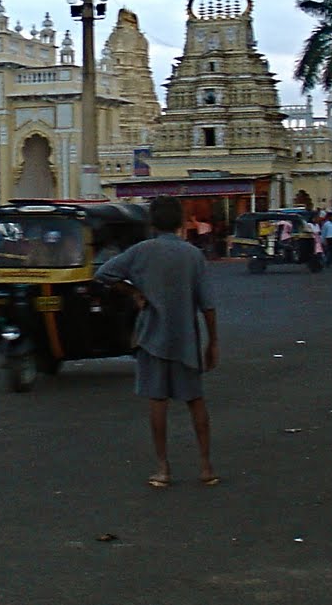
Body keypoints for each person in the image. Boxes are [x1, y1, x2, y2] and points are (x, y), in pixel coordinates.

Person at [95, 195, 219, 489]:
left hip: (152, 337)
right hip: (186, 339)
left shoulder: (141, 251)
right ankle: (205, 466)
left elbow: (103, 273)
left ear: (152, 222)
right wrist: (213, 342)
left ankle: (163, 468)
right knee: (195, 401)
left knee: (157, 401)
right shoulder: (192, 255)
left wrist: (134, 292)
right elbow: (208, 305)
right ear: (180, 222)